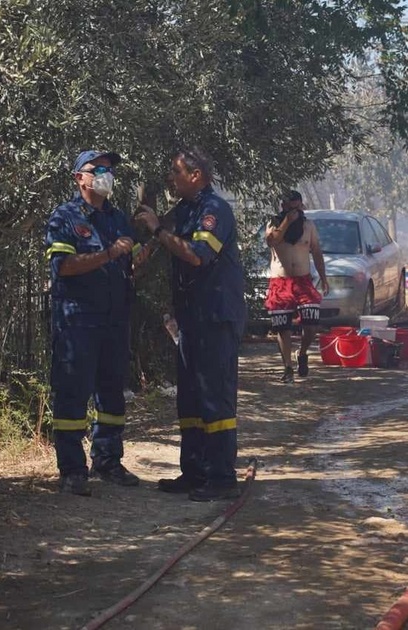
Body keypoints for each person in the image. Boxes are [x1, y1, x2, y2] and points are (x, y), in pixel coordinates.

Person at [134, 148, 246, 502]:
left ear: (196, 175)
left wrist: (157, 231)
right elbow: (156, 232)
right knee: (191, 399)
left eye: (176, 171)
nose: (171, 178)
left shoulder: (215, 211)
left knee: (215, 397)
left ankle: (222, 477)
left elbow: (197, 255)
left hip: (215, 317)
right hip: (191, 320)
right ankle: (194, 471)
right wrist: (148, 237)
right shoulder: (184, 210)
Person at [43, 150, 140, 496]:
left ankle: (108, 460)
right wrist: (110, 253)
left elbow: (132, 259)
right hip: (77, 320)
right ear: (78, 178)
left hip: (114, 319)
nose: (105, 174)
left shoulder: (117, 218)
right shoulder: (65, 217)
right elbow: (64, 267)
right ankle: (72, 469)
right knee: (72, 393)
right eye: (97, 169)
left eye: (109, 170)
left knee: (112, 393)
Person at [264, 190, 329, 383]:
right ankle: (287, 367)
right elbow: (272, 241)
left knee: (311, 324)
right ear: (284, 207)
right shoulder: (274, 224)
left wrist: (324, 278)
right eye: (292, 208)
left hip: (303, 281)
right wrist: (287, 222)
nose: (297, 211)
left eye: (299, 207)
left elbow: (316, 252)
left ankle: (302, 353)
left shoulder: (308, 226)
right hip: (280, 282)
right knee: (282, 327)